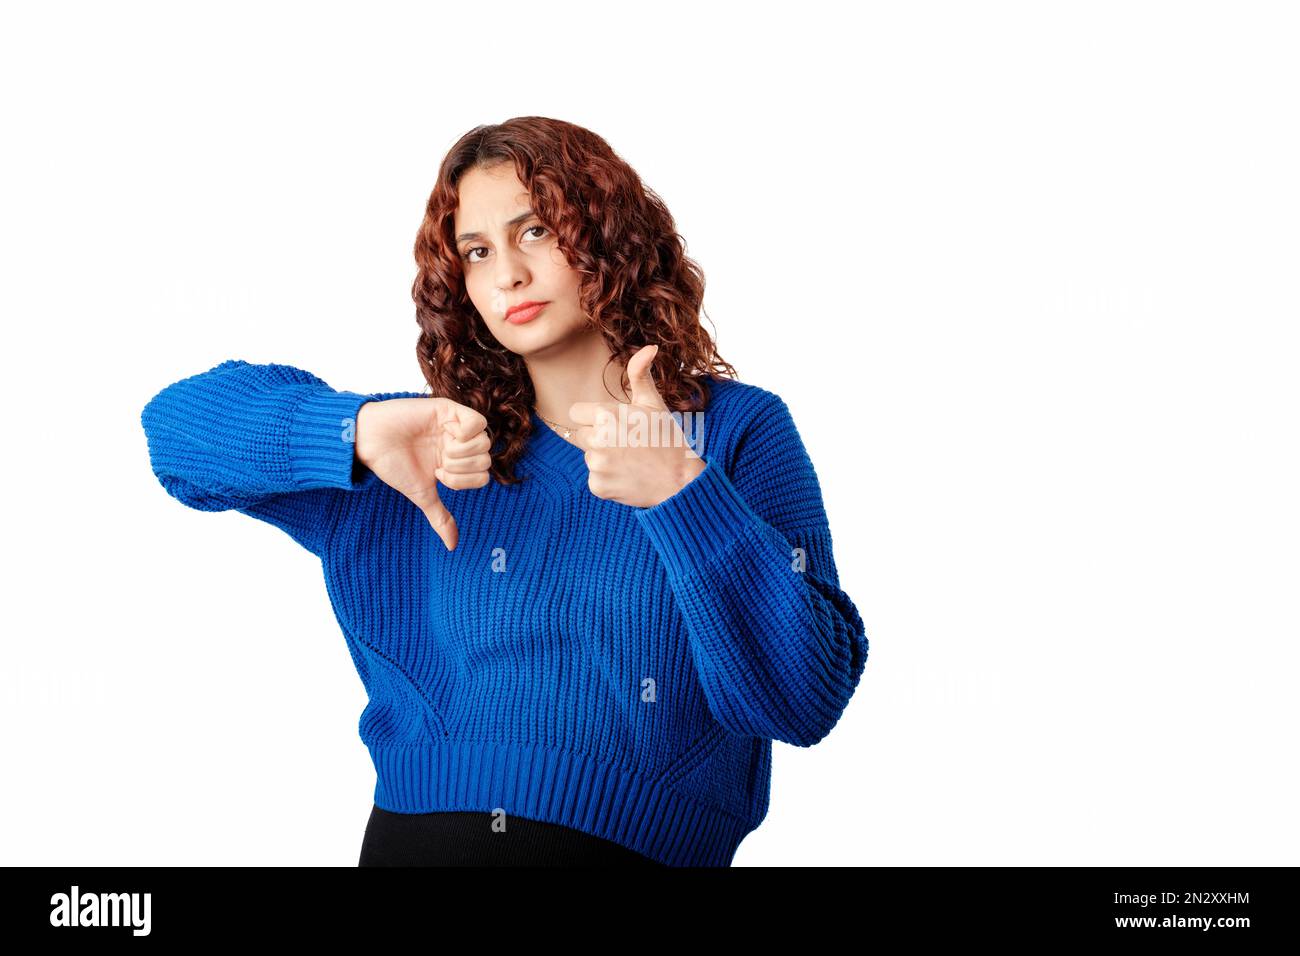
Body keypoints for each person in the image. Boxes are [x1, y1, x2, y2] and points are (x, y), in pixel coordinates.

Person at [139, 116, 869, 867]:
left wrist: (682, 496)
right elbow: (175, 437)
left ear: (609, 237)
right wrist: (350, 430)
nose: (506, 275)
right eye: (477, 251)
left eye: (535, 234)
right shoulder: (425, 448)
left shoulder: (733, 435)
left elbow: (803, 698)